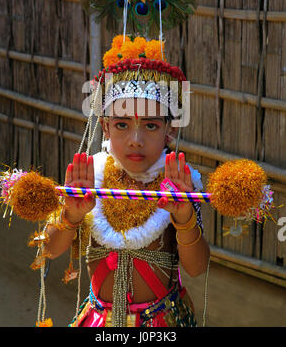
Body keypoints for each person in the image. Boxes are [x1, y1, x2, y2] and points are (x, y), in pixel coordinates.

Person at [44, 43, 210, 327]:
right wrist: (70, 216)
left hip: (162, 323)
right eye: (122, 125)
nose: (136, 139)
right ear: (106, 127)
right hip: (99, 322)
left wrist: (184, 219)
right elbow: (48, 250)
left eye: (150, 125)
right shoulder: (89, 178)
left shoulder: (180, 185)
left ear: (170, 130)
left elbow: (196, 268)